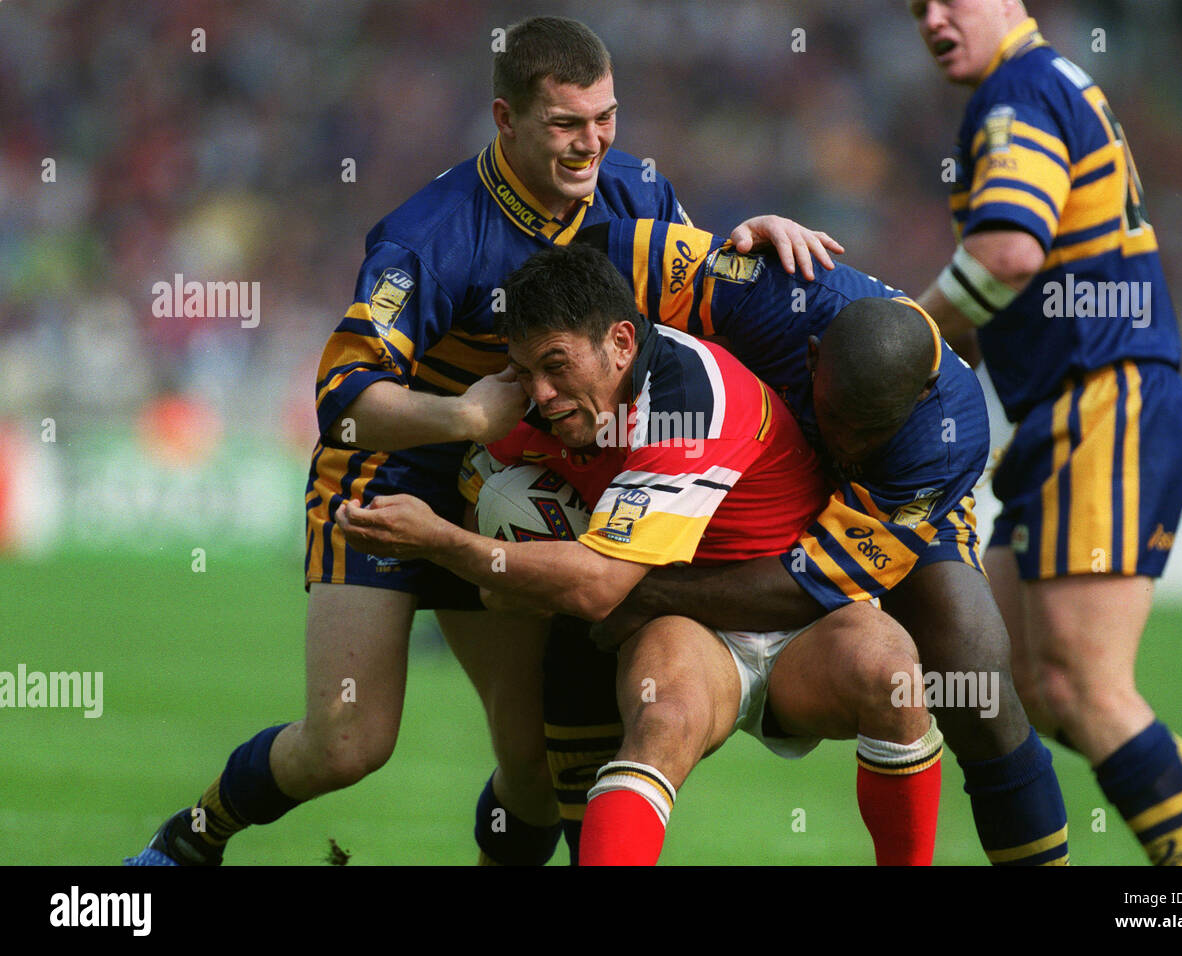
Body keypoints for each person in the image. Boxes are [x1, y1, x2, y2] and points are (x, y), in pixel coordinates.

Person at [125, 15, 842, 867]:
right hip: (390, 472)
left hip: (525, 476)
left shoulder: (637, 189)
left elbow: (693, 299)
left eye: (605, 119)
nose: (592, 145)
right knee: (348, 742)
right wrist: (463, 419)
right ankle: (190, 842)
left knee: (533, 769)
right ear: (505, 121)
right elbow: (342, 399)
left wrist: (751, 241)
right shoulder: (430, 235)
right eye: (566, 125)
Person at [337, 243, 946, 866]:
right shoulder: (518, 416)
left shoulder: (689, 397)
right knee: (662, 719)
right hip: (688, 630)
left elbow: (596, 588)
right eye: (524, 373)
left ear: (622, 343)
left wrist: (439, 541)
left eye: (557, 365)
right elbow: (495, 583)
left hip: (804, 621)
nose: (543, 393)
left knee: (894, 679)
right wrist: (496, 554)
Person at [906, 0, 1182, 864]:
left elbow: (1008, 254)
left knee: (1081, 684)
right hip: (1074, 415)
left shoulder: (1014, 94)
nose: (932, 18)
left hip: (1103, 407)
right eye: (915, 6)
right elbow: (1000, 285)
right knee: (1008, 675)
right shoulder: (1044, 85)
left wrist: (907, 336)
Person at [577, 217, 1070, 865]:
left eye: (864, 434)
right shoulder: (763, 292)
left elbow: (807, 589)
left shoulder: (943, 440)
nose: (840, 442)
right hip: (735, 475)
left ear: (918, 399)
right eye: (831, 417)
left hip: (872, 507)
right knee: (567, 658)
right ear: (810, 356)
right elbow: (596, 256)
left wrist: (637, 591)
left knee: (972, 675)